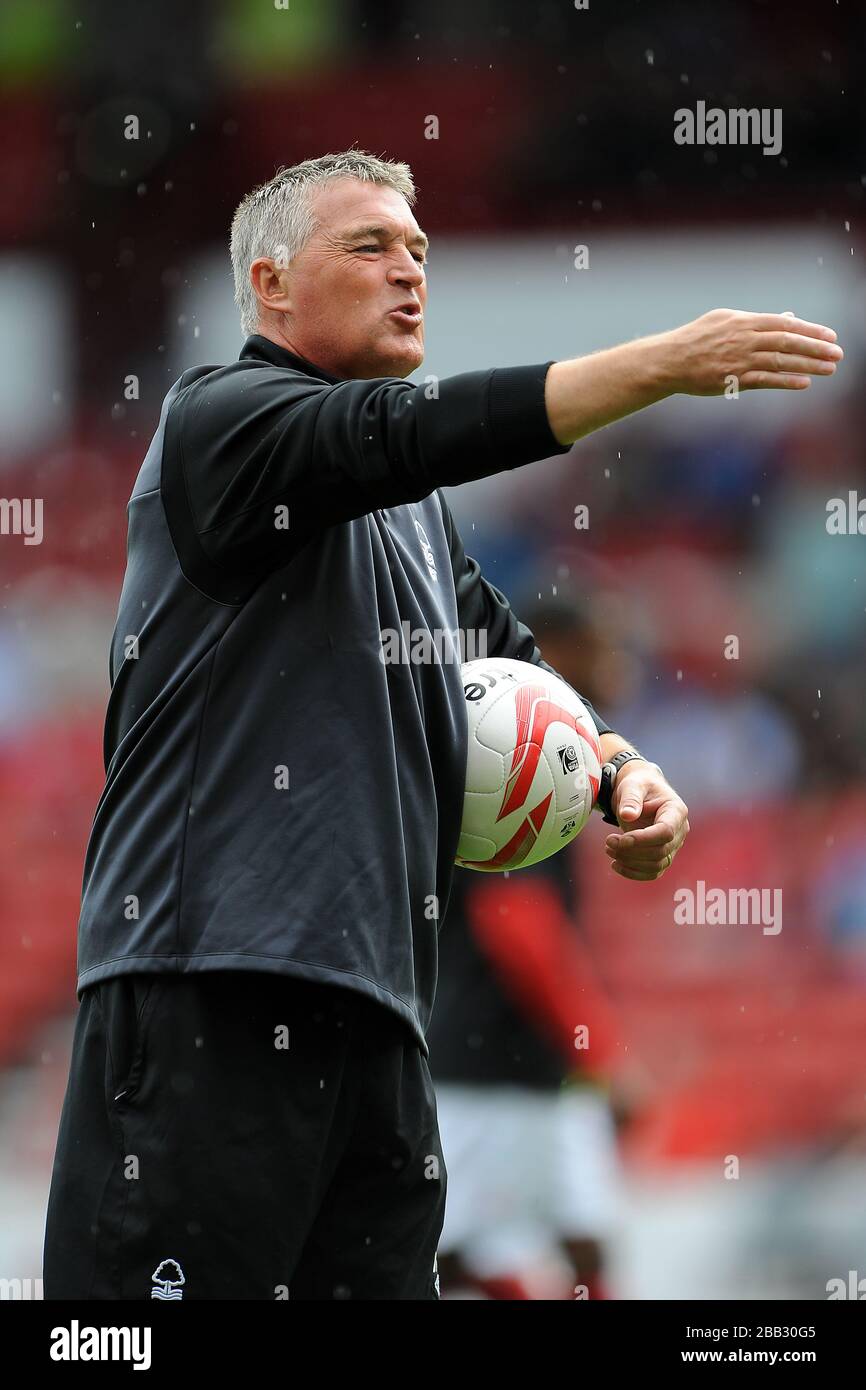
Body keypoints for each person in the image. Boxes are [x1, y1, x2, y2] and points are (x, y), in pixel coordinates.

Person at [42, 149, 840, 1300]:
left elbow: (513, 661)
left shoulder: (411, 516)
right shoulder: (219, 422)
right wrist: (664, 363)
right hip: (209, 987)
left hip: (381, 1018)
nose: (409, 273)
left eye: (418, 251)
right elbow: (419, 429)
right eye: (368, 248)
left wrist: (620, 770)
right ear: (269, 284)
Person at [428, 595, 635, 1300]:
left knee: (562, 1245)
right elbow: (517, 922)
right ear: (555, 652)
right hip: (491, 1058)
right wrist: (599, 1050)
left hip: (510, 1060)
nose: (617, 667)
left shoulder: (525, 748)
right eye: (600, 647)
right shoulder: (523, 750)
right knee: (461, 1253)